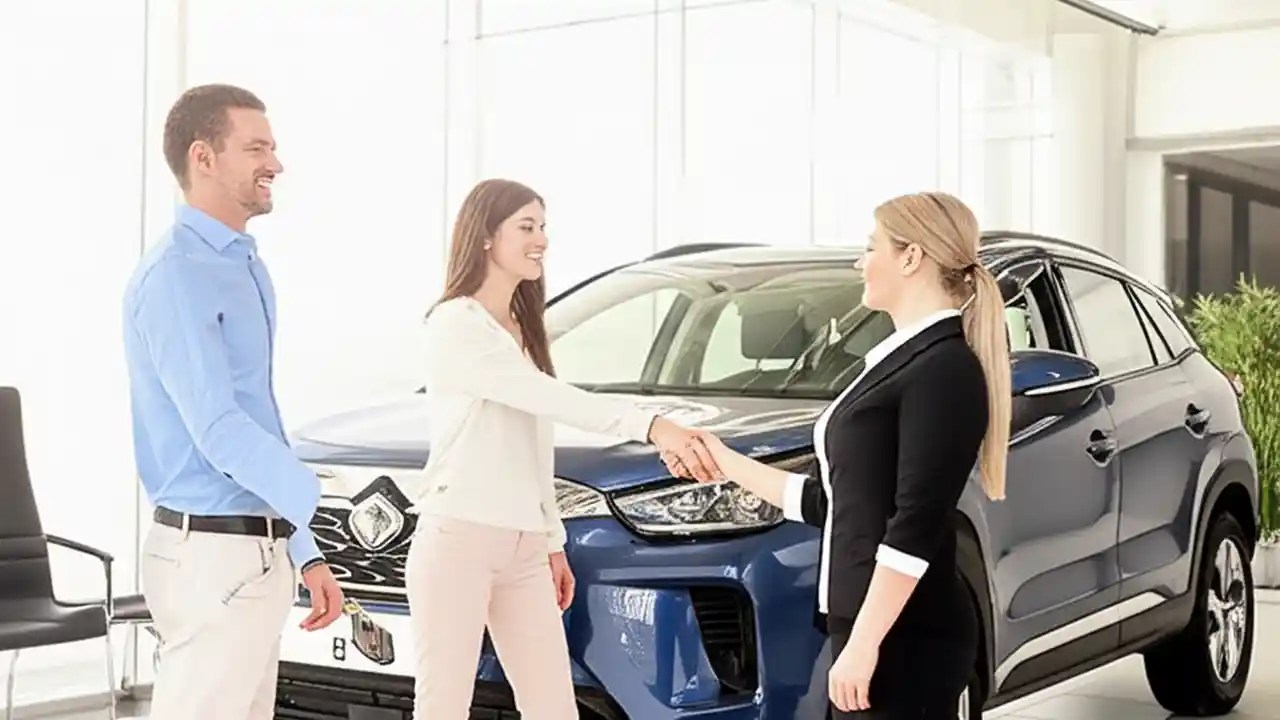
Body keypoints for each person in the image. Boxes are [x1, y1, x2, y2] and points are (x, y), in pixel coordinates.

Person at [686, 191, 1011, 718]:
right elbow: (834, 501)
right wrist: (721, 460)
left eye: (871, 246)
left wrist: (865, 644)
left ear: (911, 258)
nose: (861, 262)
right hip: (876, 630)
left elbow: (915, 526)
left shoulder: (943, 371)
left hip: (904, 638)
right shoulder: (903, 363)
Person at [407, 178, 719, 719]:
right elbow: (547, 398)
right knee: (444, 707)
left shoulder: (522, 330)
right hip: (459, 538)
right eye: (526, 227)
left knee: (553, 707)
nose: (541, 241)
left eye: (543, 227)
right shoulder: (456, 323)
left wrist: (550, 538)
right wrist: (652, 424)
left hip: (523, 547)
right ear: (485, 236)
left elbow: (532, 442)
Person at [122, 84, 345, 719]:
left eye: (272, 147)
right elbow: (218, 429)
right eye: (256, 148)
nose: (275, 163)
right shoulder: (177, 274)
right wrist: (319, 500)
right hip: (211, 560)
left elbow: (258, 419)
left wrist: (305, 547)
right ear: (204, 157)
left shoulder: (242, 265)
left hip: (253, 553)